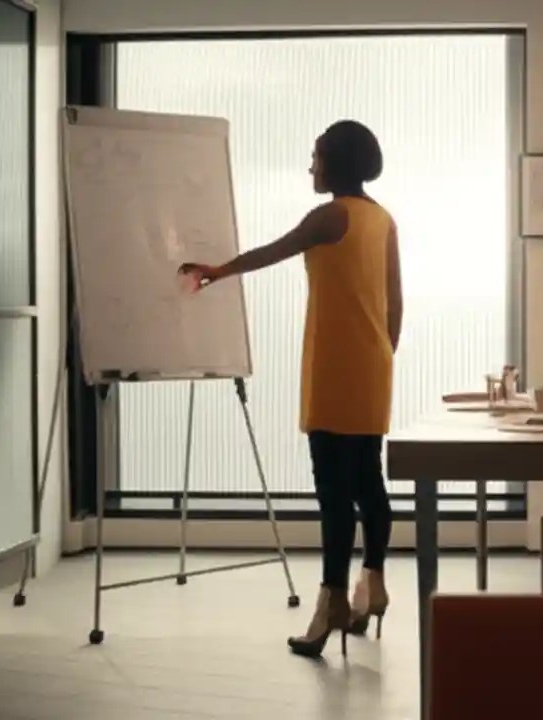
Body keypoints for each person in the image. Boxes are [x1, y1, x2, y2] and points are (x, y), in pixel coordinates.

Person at [180, 120, 401, 657]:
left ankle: (329, 607)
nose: (311, 167)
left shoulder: (332, 215)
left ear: (337, 163)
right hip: (373, 365)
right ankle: (371, 584)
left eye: (317, 156)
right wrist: (382, 355)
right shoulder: (382, 219)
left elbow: (275, 250)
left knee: (332, 493)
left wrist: (217, 270)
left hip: (334, 368)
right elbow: (396, 304)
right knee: (367, 481)